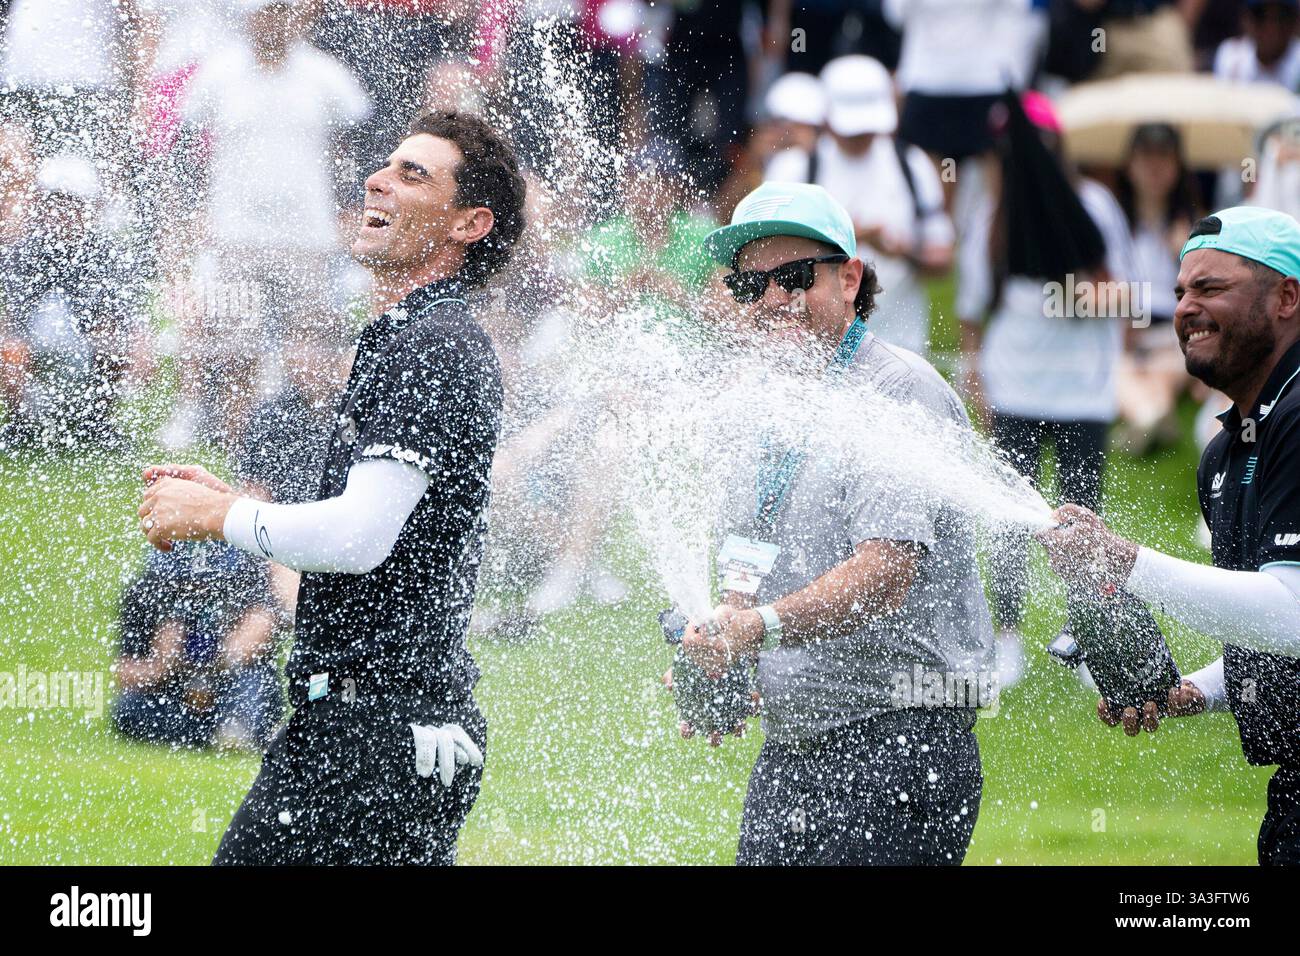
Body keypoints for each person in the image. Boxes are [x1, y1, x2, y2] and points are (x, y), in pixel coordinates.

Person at [135, 110, 527, 865]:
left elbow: (358, 538)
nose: (378, 178)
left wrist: (223, 515)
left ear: (469, 223)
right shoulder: (412, 333)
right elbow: (373, 526)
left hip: (374, 737)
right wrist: (244, 506)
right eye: (384, 164)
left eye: (414, 173)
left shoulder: (435, 343)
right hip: (374, 731)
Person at [681, 182, 995, 865]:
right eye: (748, 286)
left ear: (850, 278)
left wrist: (757, 627)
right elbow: (747, 555)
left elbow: (884, 573)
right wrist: (723, 644)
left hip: (901, 740)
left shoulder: (898, 393)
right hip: (796, 744)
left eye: (794, 277)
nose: (770, 301)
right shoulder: (760, 402)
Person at [1038, 206, 1300, 866]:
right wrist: (1198, 691)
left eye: (1212, 288)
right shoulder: (1226, 452)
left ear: (1287, 298)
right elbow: (1270, 629)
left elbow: (1293, 614)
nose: (1185, 307)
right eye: (1181, 291)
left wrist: (1124, 561)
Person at [765, 56, 953, 356]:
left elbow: (943, 262)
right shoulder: (793, 170)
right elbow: (766, 262)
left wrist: (897, 249)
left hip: (901, 345)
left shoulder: (912, 165)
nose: (860, 137)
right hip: (813, 349)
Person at [113, 543, 282, 751]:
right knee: (129, 708)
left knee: (255, 682)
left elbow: (260, 629)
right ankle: (218, 734)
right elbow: (123, 672)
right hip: (172, 690)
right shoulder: (147, 591)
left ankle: (231, 730)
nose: (197, 588)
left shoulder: (244, 576)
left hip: (229, 681)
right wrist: (162, 665)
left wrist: (221, 659)